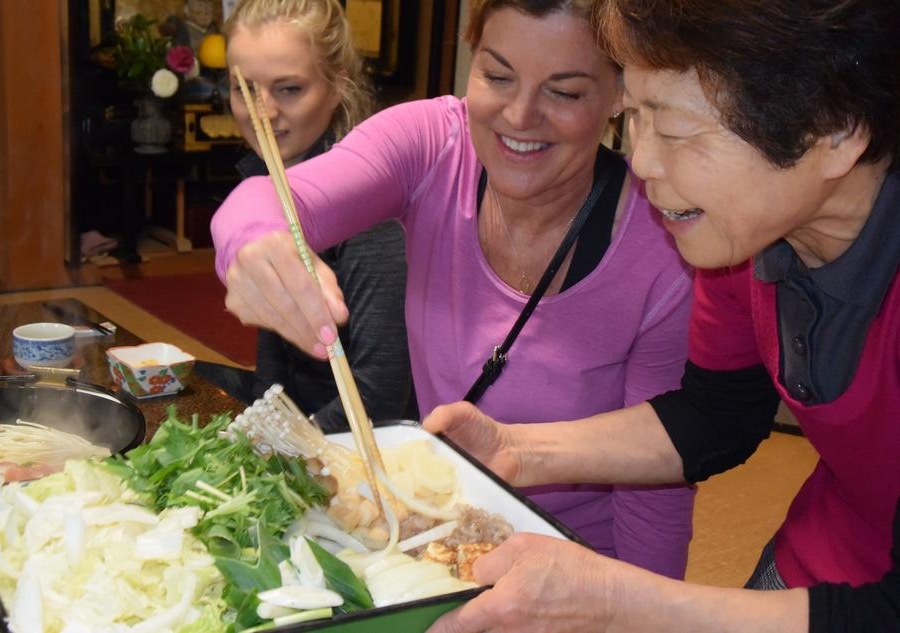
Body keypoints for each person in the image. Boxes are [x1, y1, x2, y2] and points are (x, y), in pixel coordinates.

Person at [422, 0, 900, 631]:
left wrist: (619, 602)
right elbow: (716, 414)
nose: (642, 163)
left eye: (674, 131)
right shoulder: (743, 237)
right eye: (636, 119)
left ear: (834, 129)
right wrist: (517, 450)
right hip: (832, 546)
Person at [213, 0, 696, 578]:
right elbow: (271, 199)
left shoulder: (662, 244)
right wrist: (253, 242)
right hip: (437, 540)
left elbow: (658, 474)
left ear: (620, 92)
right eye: (497, 76)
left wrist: (636, 605)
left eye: (564, 92)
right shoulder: (434, 143)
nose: (519, 116)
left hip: (574, 564)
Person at [194, 0, 413, 433]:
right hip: (298, 409)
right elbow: (273, 343)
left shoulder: (369, 204)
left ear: (337, 88)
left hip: (363, 431)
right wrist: (264, 421)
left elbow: (382, 394)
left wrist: (290, 442)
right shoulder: (266, 179)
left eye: (289, 89)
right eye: (244, 89)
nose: (262, 112)